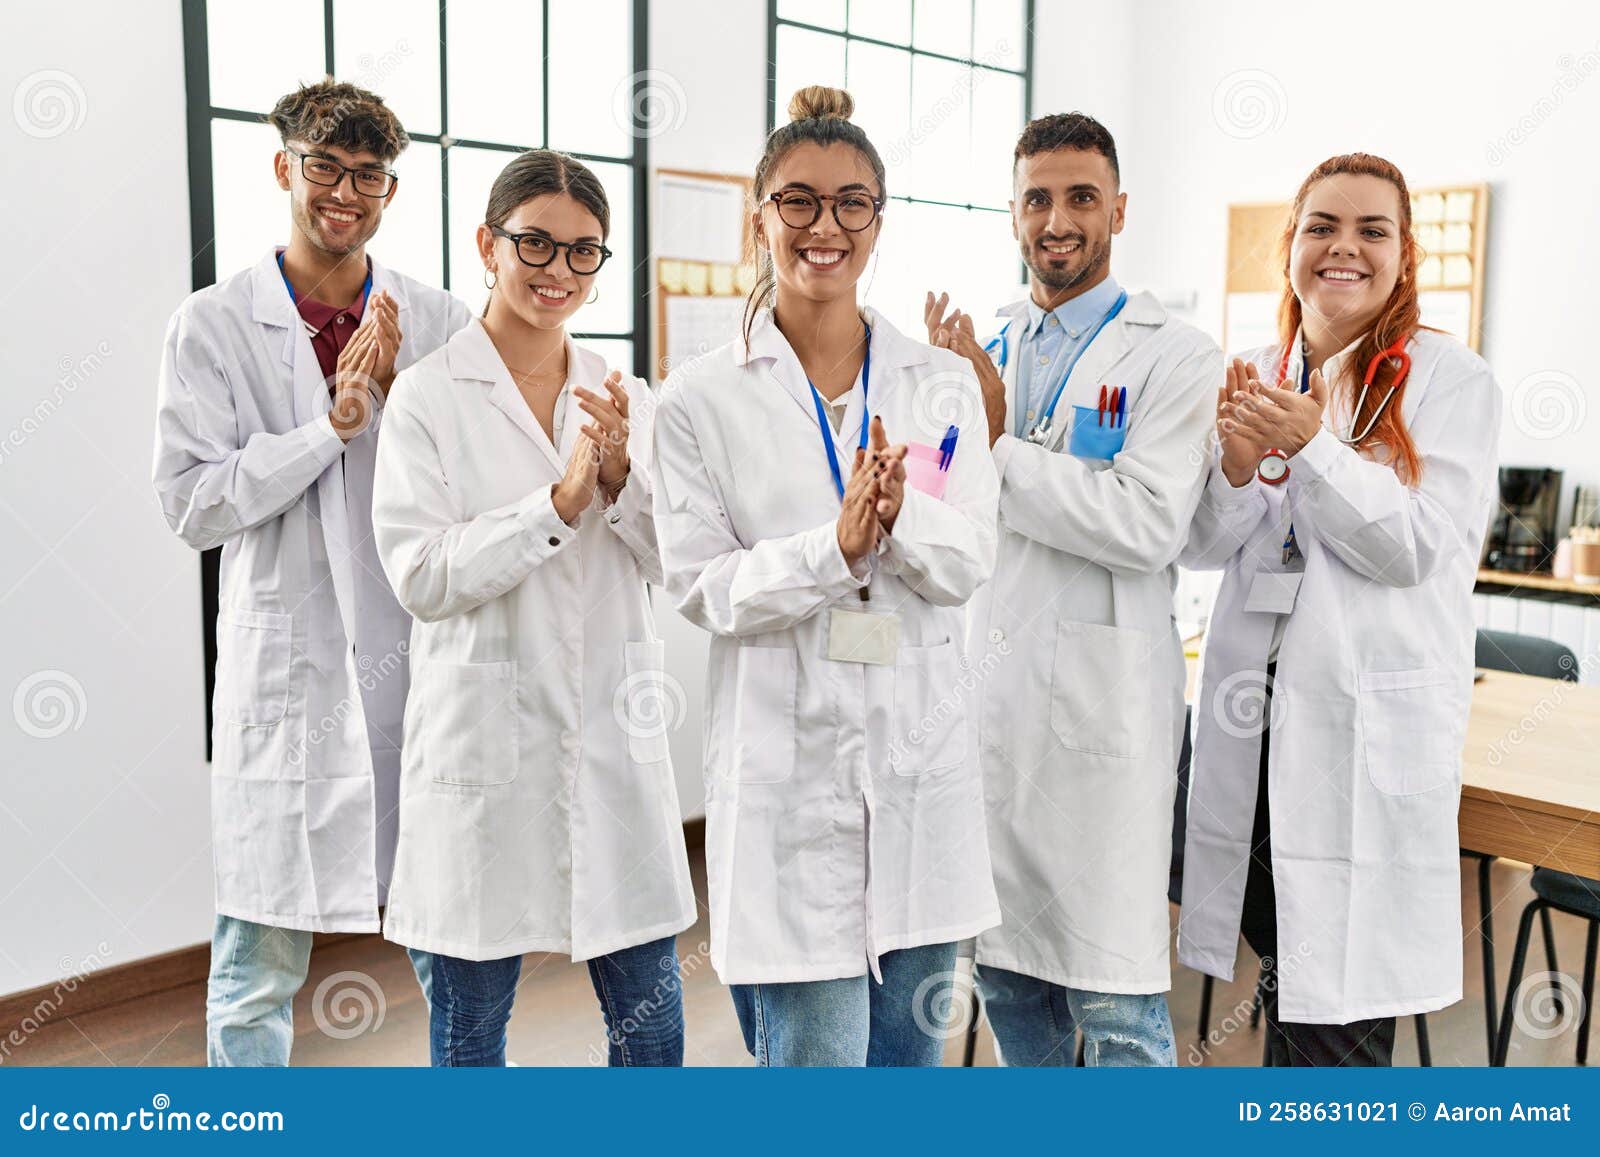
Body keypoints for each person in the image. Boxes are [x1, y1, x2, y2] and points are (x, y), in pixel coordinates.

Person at [650, 87, 1000, 1067]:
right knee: (812, 1075)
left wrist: (901, 516)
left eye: (852, 203)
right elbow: (700, 583)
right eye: (797, 202)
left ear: (878, 222)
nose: (824, 226)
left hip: (919, 778)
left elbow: (971, 554)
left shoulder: (938, 384)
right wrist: (832, 551)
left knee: (908, 1073)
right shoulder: (699, 399)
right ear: (758, 217)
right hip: (784, 785)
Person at [152, 80, 471, 1066]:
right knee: (257, 947)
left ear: (390, 189)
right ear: (283, 167)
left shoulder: (441, 319)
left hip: (414, 669)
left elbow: (474, 485)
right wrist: (329, 428)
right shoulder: (211, 324)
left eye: (369, 175)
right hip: (287, 677)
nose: (347, 191)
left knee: (452, 940)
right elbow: (191, 505)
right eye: (325, 168)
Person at [372, 149, 695, 1067]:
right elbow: (423, 574)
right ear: (488, 244)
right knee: (471, 1039)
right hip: (485, 755)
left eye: (584, 252)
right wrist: (551, 509)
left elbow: (678, 561)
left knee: (656, 1032)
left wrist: (624, 479)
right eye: (537, 245)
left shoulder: (622, 393)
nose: (559, 270)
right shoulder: (430, 397)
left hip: (610, 748)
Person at [1178, 153, 1502, 1066]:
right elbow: (1206, 545)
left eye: (1372, 230)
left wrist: (1309, 443)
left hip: (1360, 747)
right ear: (1291, 246)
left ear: (1405, 253)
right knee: (1291, 978)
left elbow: (1417, 547)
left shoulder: (1452, 381)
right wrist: (1237, 469)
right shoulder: (1253, 369)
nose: (1343, 248)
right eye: (1322, 226)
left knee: (1337, 1012)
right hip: (1255, 728)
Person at [925, 112, 1220, 1066]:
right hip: (993, 713)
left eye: (1081, 197)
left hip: (1104, 729)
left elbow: (1144, 523)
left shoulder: (1175, 354)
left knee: (1120, 1010)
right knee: (1014, 994)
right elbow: (944, 502)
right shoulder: (984, 347)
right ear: (1012, 215)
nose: (1058, 220)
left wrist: (998, 440)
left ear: (1118, 210)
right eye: (1038, 199)